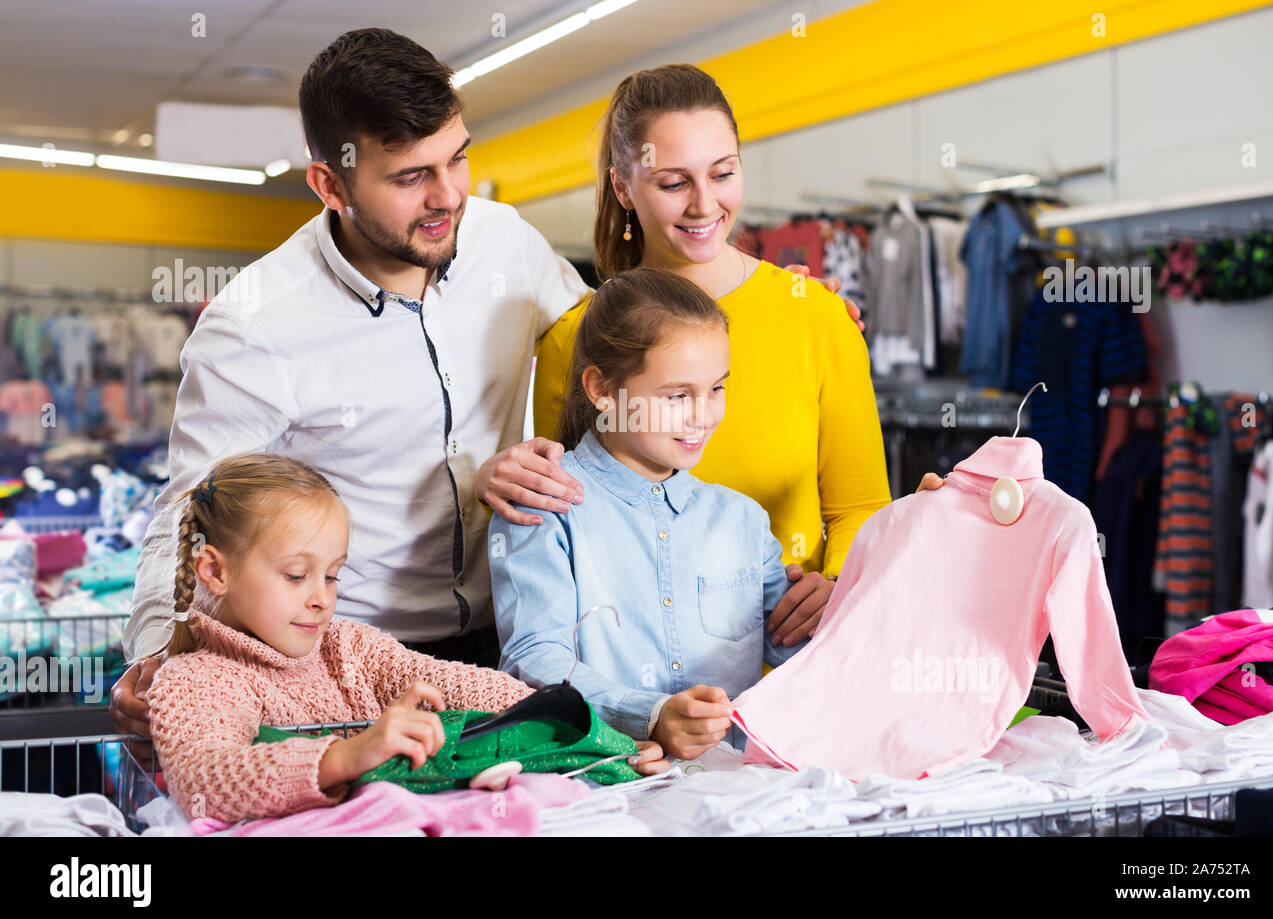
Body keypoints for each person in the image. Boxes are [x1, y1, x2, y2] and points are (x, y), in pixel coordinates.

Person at [110, 27, 593, 739]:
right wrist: (158, 649)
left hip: (508, 640)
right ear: (329, 184)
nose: (447, 195)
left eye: (457, 157)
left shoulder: (506, 243)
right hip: (348, 671)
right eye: (408, 177)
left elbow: (611, 358)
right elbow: (192, 509)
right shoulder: (253, 325)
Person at [481, 64, 891, 649]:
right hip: (630, 696)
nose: (705, 205)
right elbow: (563, 525)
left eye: (722, 174)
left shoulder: (817, 316)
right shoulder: (574, 341)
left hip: (793, 669)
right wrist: (503, 478)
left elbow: (863, 506)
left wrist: (839, 583)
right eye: (674, 183)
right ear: (623, 187)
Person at [147, 452, 666, 824]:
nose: (320, 598)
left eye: (332, 575)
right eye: (295, 575)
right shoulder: (196, 680)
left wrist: (596, 738)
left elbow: (465, 686)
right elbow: (205, 778)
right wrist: (347, 757)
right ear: (215, 570)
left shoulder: (349, 648)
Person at [492, 268, 814, 761]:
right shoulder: (546, 505)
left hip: (741, 799)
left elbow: (808, 653)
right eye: (677, 395)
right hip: (603, 792)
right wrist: (648, 713)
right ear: (602, 389)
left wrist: (885, 558)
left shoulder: (743, 522)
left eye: (716, 389)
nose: (703, 416)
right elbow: (533, 659)